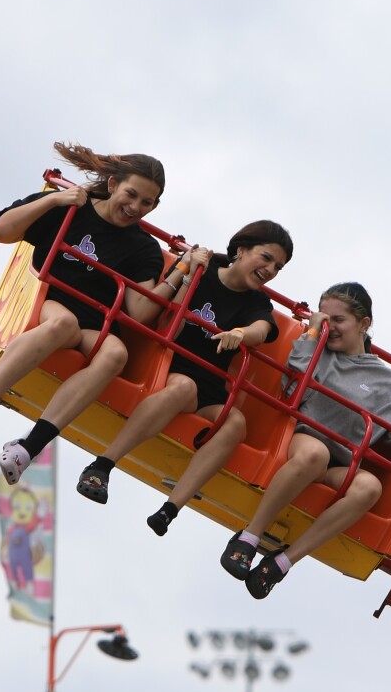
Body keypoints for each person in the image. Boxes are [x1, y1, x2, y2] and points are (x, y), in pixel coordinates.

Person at [0, 143, 168, 485]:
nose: (135, 207)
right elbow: (0, 232)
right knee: (64, 324)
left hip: (92, 321)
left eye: (146, 203)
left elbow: (138, 310)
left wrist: (178, 275)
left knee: (115, 352)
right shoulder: (71, 206)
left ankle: (29, 447)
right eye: (131, 195)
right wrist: (52, 200)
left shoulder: (143, 247)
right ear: (112, 185)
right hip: (47, 296)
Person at [220, 282, 391, 598]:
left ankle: (283, 562)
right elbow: (292, 388)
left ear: (363, 324)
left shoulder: (390, 385)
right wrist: (312, 335)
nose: (331, 327)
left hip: (340, 461)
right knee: (315, 453)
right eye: (324, 318)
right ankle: (249, 536)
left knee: (370, 487)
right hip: (303, 442)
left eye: (338, 320)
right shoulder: (318, 349)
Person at [72, 220, 292, 535]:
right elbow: (165, 317)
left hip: (211, 385)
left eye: (278, 267)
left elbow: (262, 329)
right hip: (169, 365)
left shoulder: (257, 302)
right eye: (266, 258)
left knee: (235, 422)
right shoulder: (203, 267)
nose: (270, 270)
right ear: (242, 249)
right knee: (184, 387)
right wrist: (188, 272)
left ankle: (170, 509)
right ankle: (102, 465)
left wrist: (241, 333)